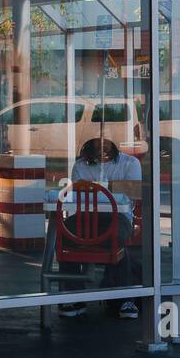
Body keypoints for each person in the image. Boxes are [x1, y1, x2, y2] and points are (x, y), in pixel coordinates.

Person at [57, 137, 142, 320]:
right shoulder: (80, 165)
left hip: (119, 217)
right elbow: (77, 195)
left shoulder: (130, 163)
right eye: (96, 144)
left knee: (116, 238)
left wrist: (95, 188)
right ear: (87, 146)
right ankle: (74, 296)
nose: (102, 148)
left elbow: (134, 191)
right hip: (84, 216)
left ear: (114, 144)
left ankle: (124, 298)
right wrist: (113, 188)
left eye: (106, 143)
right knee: (63, 236)